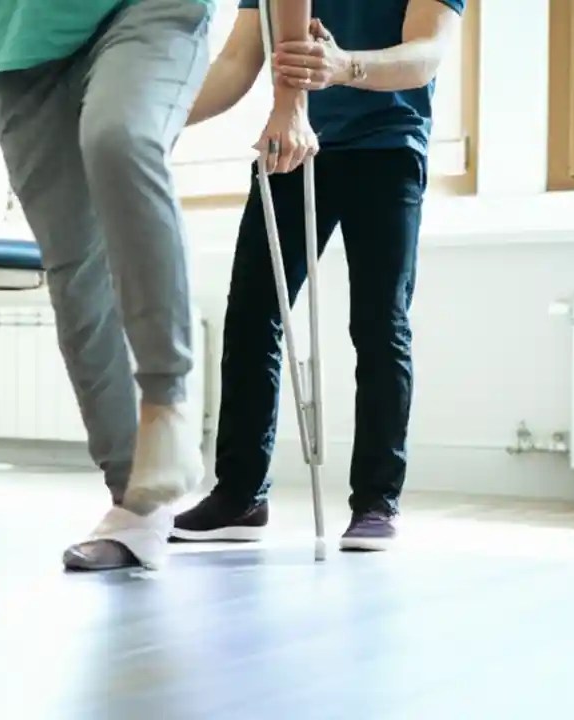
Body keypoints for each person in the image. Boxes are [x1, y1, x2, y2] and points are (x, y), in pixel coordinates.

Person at [0, 0, 310, 572]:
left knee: (121, 137)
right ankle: (135, 507)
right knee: (76, 277)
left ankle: (166, 402)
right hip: (20, 45)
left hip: (151, 11)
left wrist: (290, 99)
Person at [171, 0, 466, 551]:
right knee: (253, 315)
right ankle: (240, 495)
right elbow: (239, 60)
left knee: (380, 325)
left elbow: (426, 54)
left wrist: (342, 65)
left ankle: (377, 502)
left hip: (388, 146)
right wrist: (155, 110)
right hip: (294, 144)